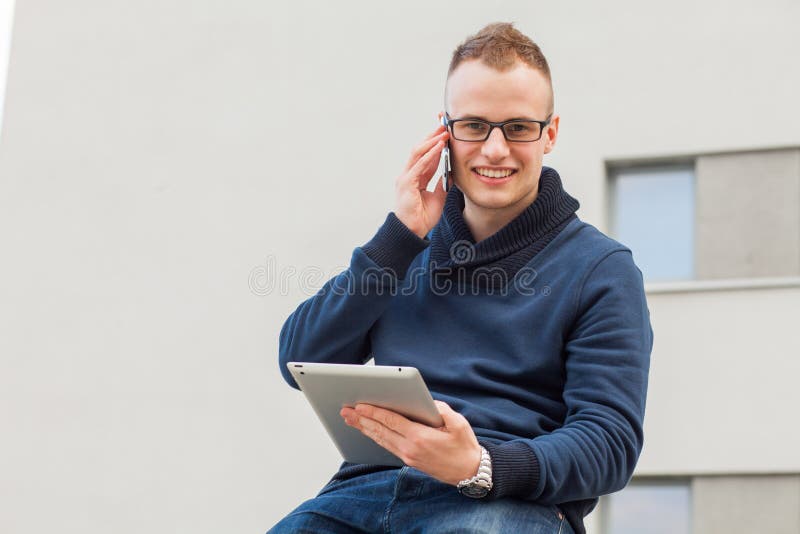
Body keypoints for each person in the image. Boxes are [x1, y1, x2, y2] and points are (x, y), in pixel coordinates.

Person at [270, 22, 653, 534]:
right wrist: (399, 236)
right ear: (444, 131)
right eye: (474, 125)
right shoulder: (404, 249)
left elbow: (608, 444)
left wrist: (479, 466)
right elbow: (299, 359)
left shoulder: (601, 269)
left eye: (517, 127)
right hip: (366, 492)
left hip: (506, 504)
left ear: (550, 134)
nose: (495, 150)